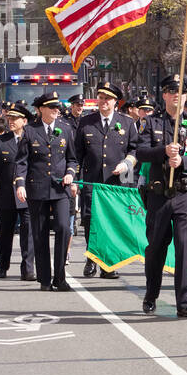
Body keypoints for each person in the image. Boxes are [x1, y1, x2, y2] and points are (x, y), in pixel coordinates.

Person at [134, 75, 187, 317]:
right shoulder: (153, 122)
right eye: (171, 91)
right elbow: (141, 152)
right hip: (159, 195)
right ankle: (151, 293)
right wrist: (163, 152)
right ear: (164, 95)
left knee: (186, 248)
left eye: (182, 92)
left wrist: (184, 160)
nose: (177, 95)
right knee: (156, 247)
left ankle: (183, 302)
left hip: (186, 194)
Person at [16, 91, 78, 291]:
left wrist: (70, 173)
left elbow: (72, 158)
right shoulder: (30, 130)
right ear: (41, 109)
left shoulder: (66, 129)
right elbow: (22, 161)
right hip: (37, 188)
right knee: (40, 233)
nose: (56, 110)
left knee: (63, 228)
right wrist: (20, 185)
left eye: (57, 107)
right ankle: (44, 278)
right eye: (51, 107)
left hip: (60, 188)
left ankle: (60, 277)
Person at [76, 82, 138, 279]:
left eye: (108, 99)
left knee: (111, 222)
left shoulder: (127, 123)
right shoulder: (86, 122)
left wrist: (127, 163)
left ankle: (108, 264)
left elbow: (135, 149)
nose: (103, 102)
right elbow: (77, 154)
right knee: (90, 220)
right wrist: (75, 182)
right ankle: (92, 258)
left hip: (115, 183)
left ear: (115, 102)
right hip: (92, 182)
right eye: (101, 98)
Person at [0, 110, 35, 280]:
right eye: (9, 118)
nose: (11, 121)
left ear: (24, 121)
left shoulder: (32, 139)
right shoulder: (0, 142)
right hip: (6, 195)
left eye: (15, 119)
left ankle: (27, 269)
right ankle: (2, 266)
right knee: (5, 233)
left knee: (28, 234)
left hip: (28, 195)